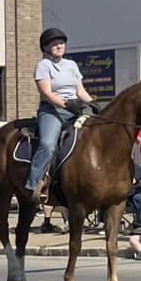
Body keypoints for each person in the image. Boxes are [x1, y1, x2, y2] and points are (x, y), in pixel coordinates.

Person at [26, 27, 89, 200]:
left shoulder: (72, 65)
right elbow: (47, 93)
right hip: (52, 111)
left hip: (74, 109)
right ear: (46, 48)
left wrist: (93, 103)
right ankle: (35, 182)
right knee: (48, 144)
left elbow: (80, 90)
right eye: (54, 44)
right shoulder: (43, 66)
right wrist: (66, 105)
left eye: (61, 43)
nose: (59, 46)